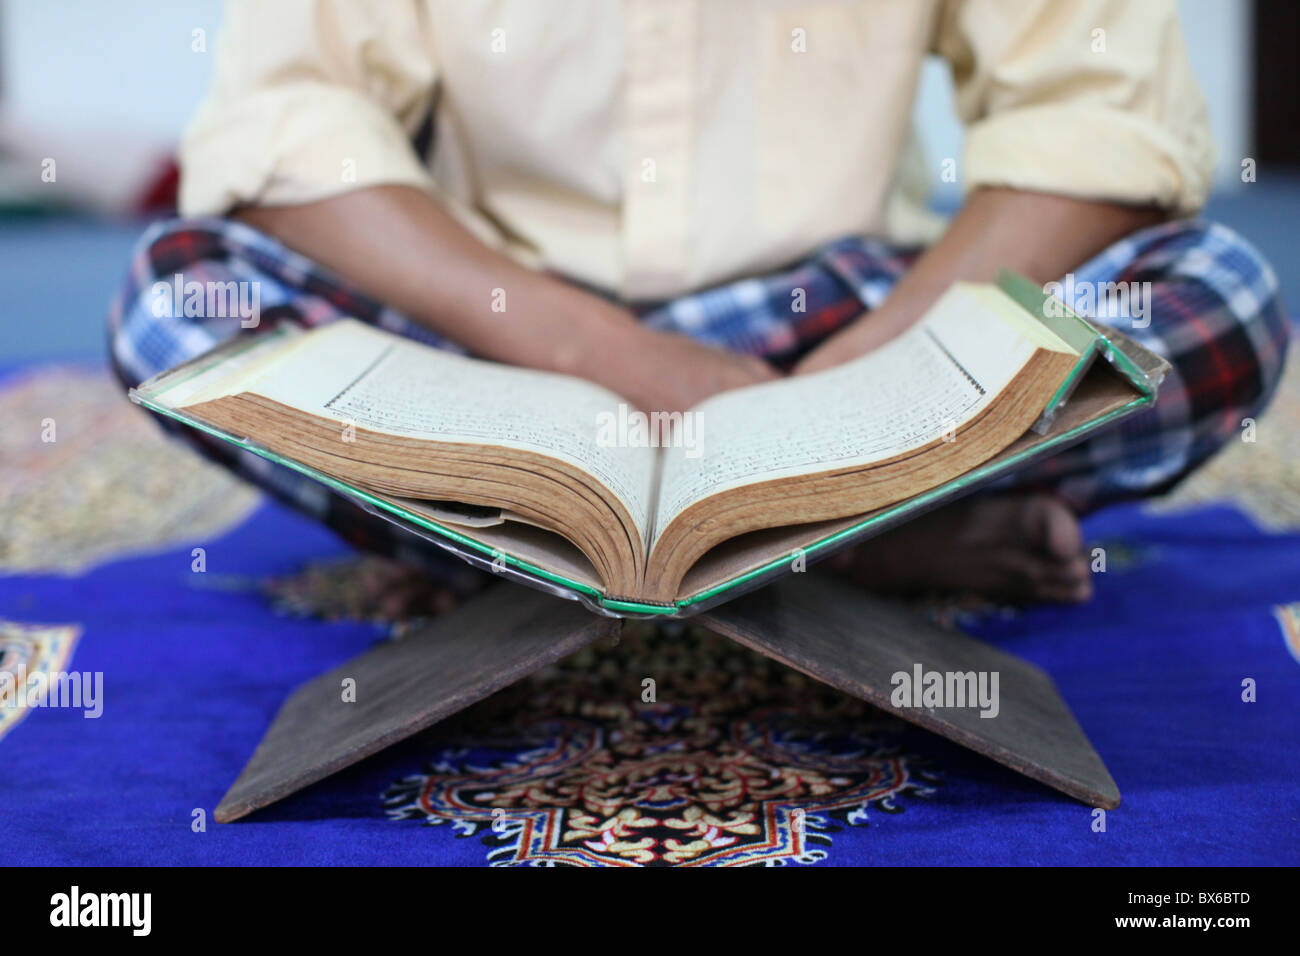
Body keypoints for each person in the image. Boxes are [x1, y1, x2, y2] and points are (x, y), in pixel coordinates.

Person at [110, 0, 1288, 605]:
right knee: (179, 302)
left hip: (848, 316)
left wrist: (862, 382)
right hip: (502, 348)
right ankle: (856, 547)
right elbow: (289, 129)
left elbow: (1098, 113)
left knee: (1215, 294)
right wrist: (600, 348)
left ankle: (534, 560)